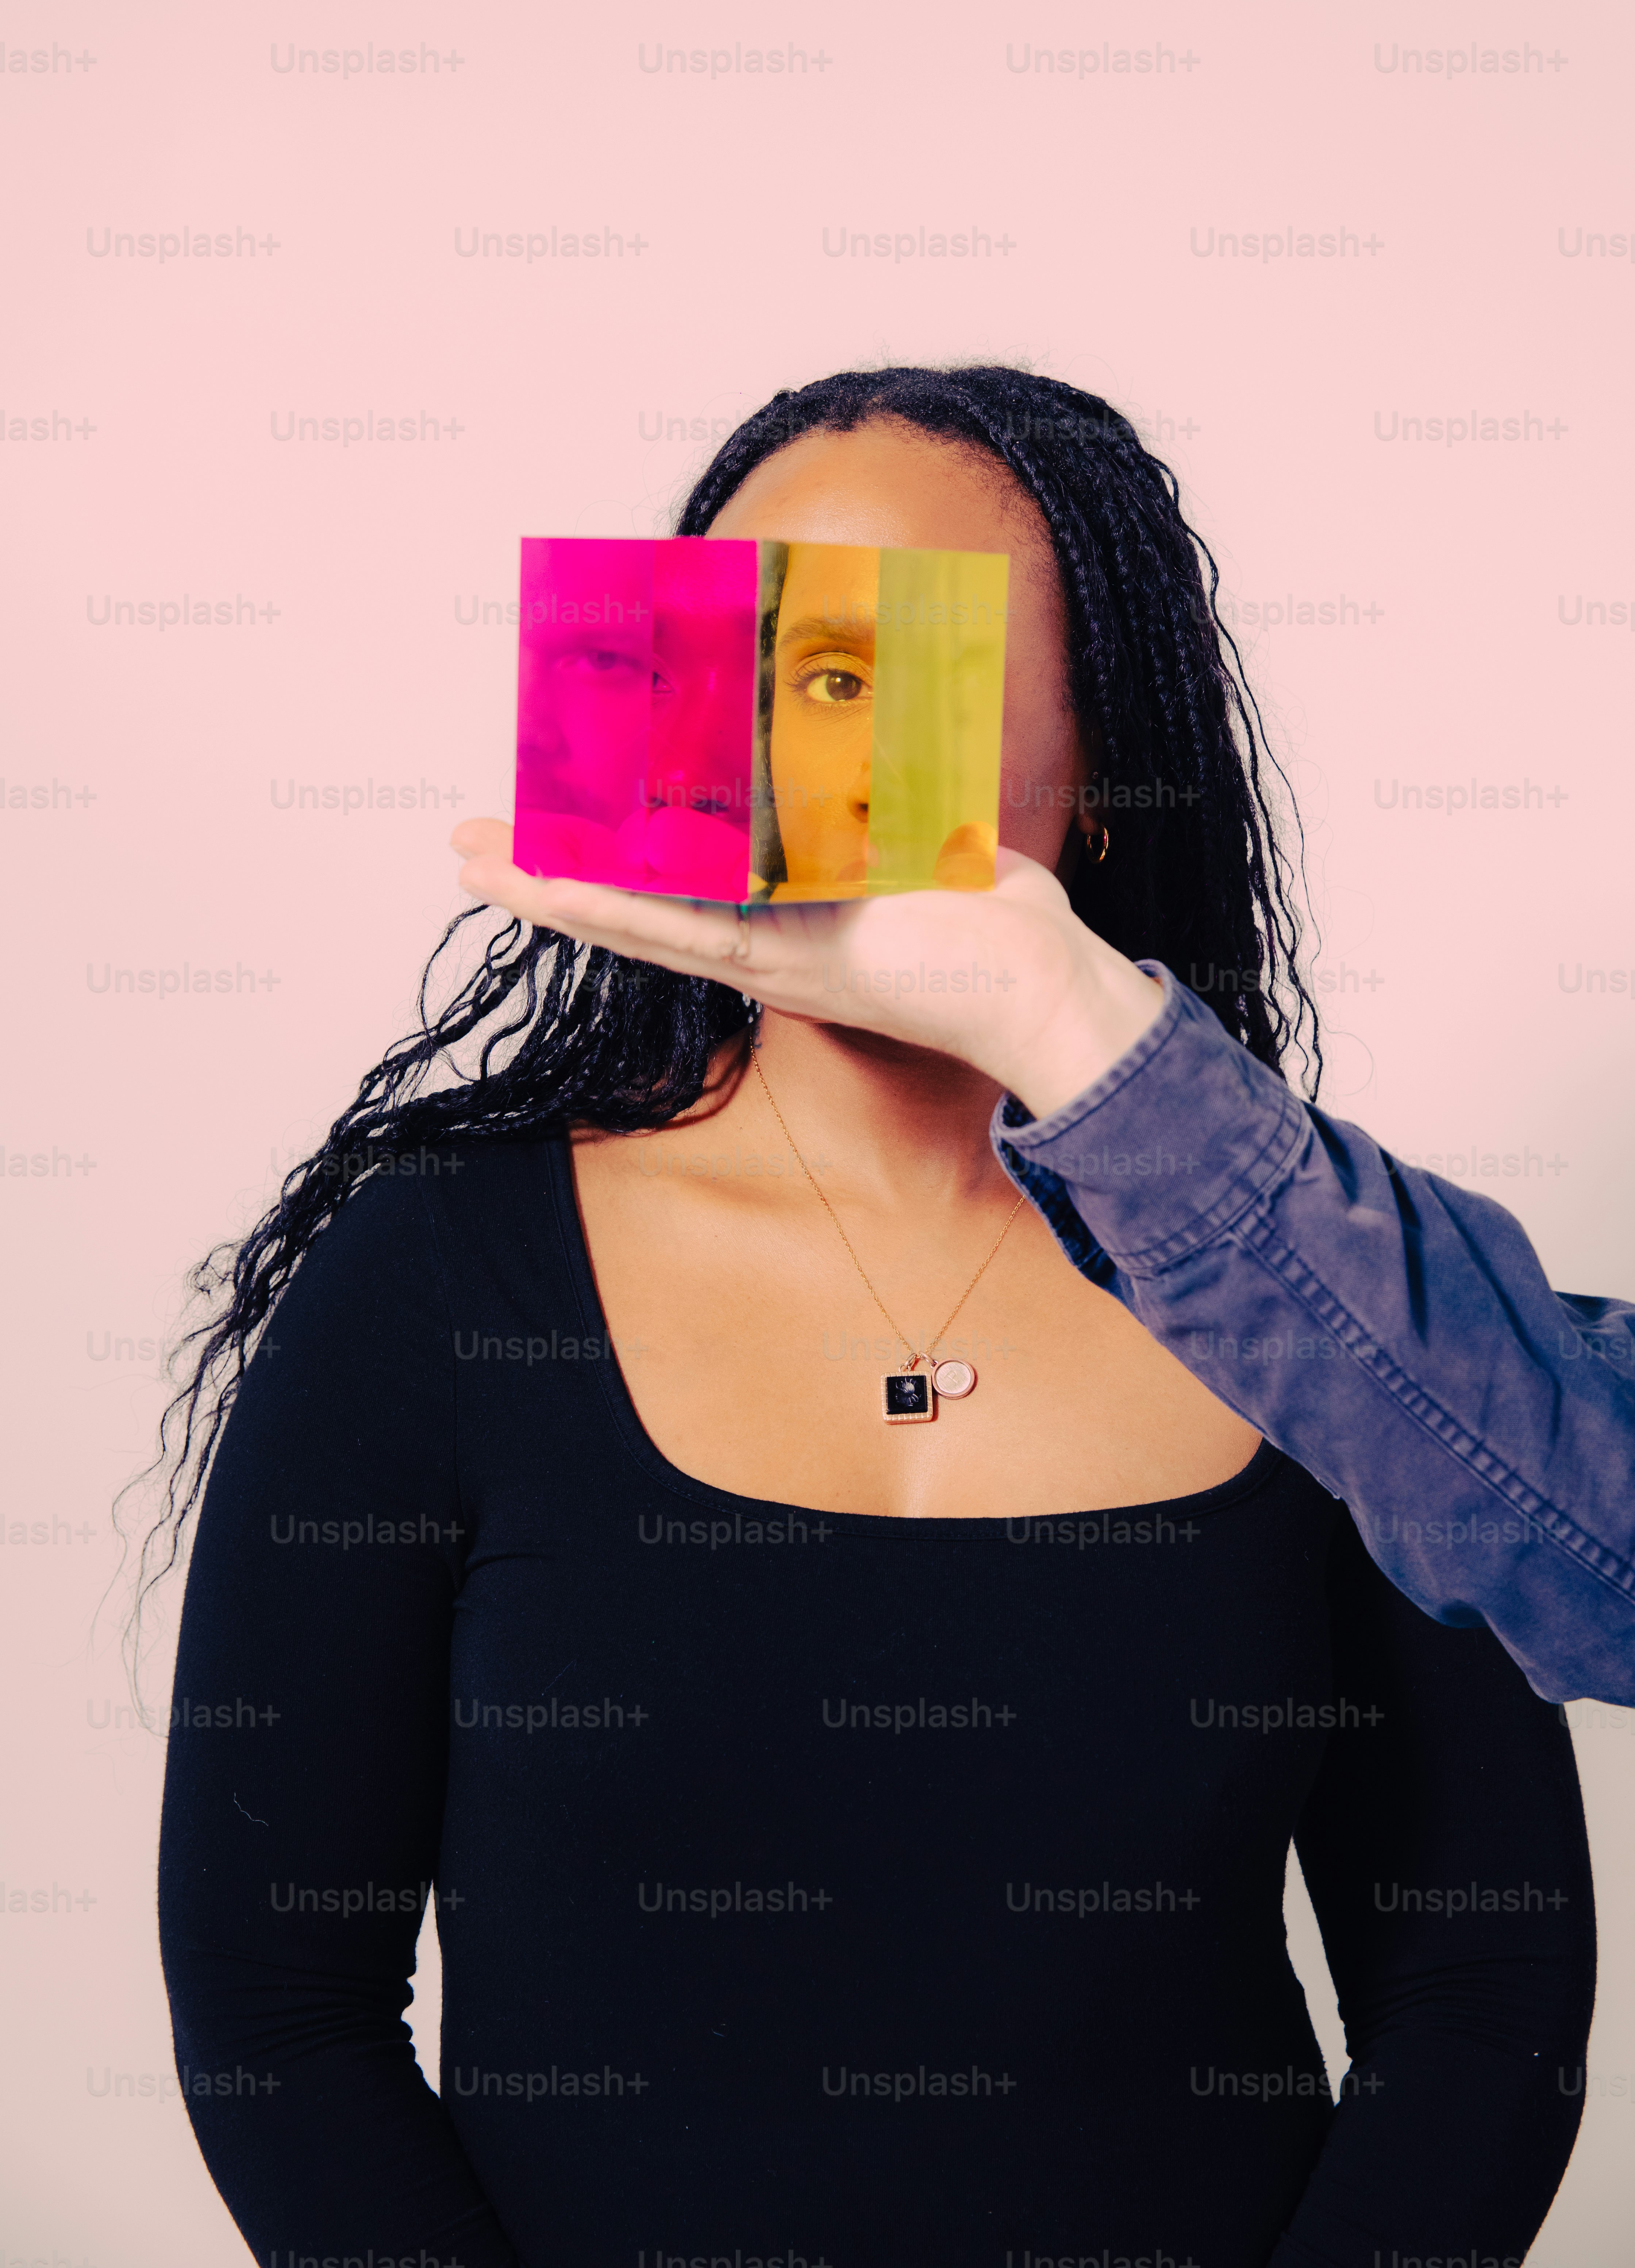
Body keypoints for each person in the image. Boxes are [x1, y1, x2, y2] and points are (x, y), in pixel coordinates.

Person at [155, 365, 1596, 2268]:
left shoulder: (1329, 1292)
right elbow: (279, 2008)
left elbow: (1483, 1995)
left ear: (1101, 764)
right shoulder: (436, 1279)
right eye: (722, 655)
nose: (770, 741)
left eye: (857, 670)